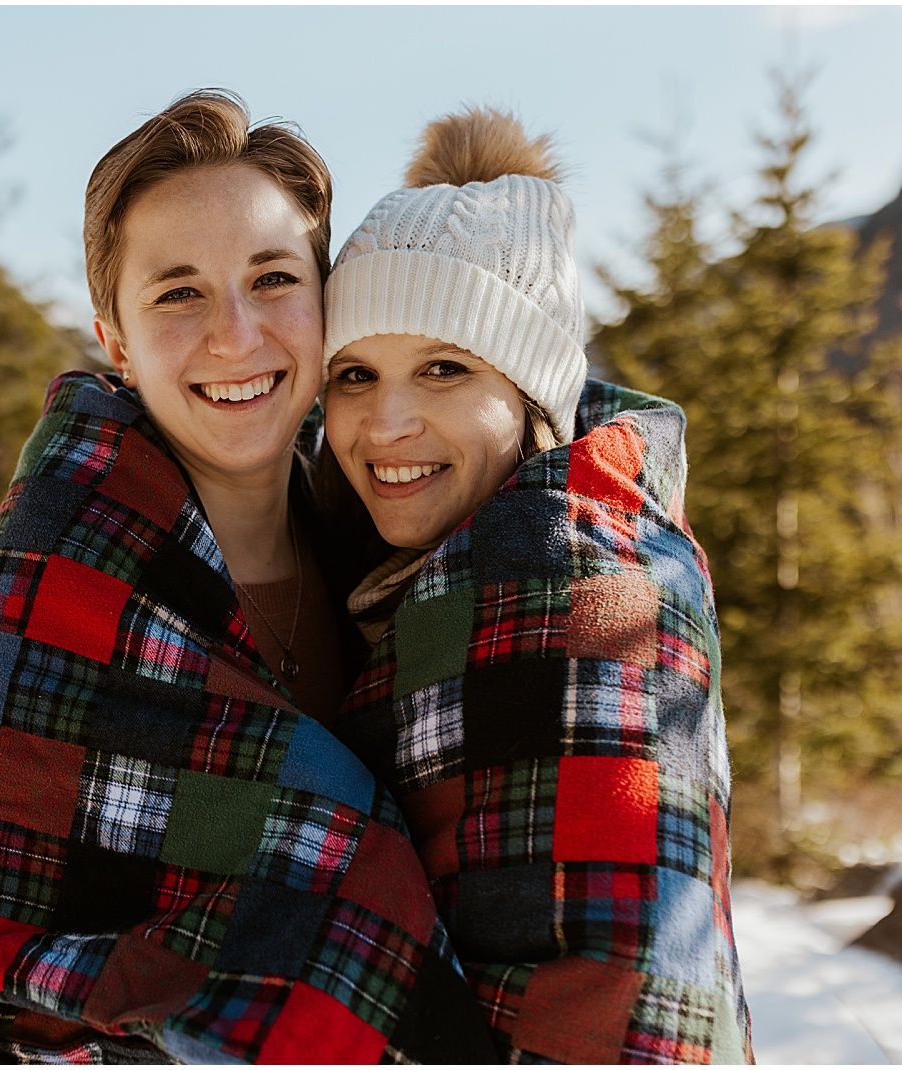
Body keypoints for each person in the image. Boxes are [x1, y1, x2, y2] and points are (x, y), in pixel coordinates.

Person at [0, 90, 493, 1064]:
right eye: (179, 292)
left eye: (271, 278)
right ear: (116, 340)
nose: (235, 334)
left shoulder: (383, 536)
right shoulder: (60, 565)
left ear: (325, 302)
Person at [320, 106, 754, 1063]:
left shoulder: (581, 589)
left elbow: (617, 1012)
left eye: (443, 367)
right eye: (353, 374)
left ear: (532, 397)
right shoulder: (400, 573)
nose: (384, 423)